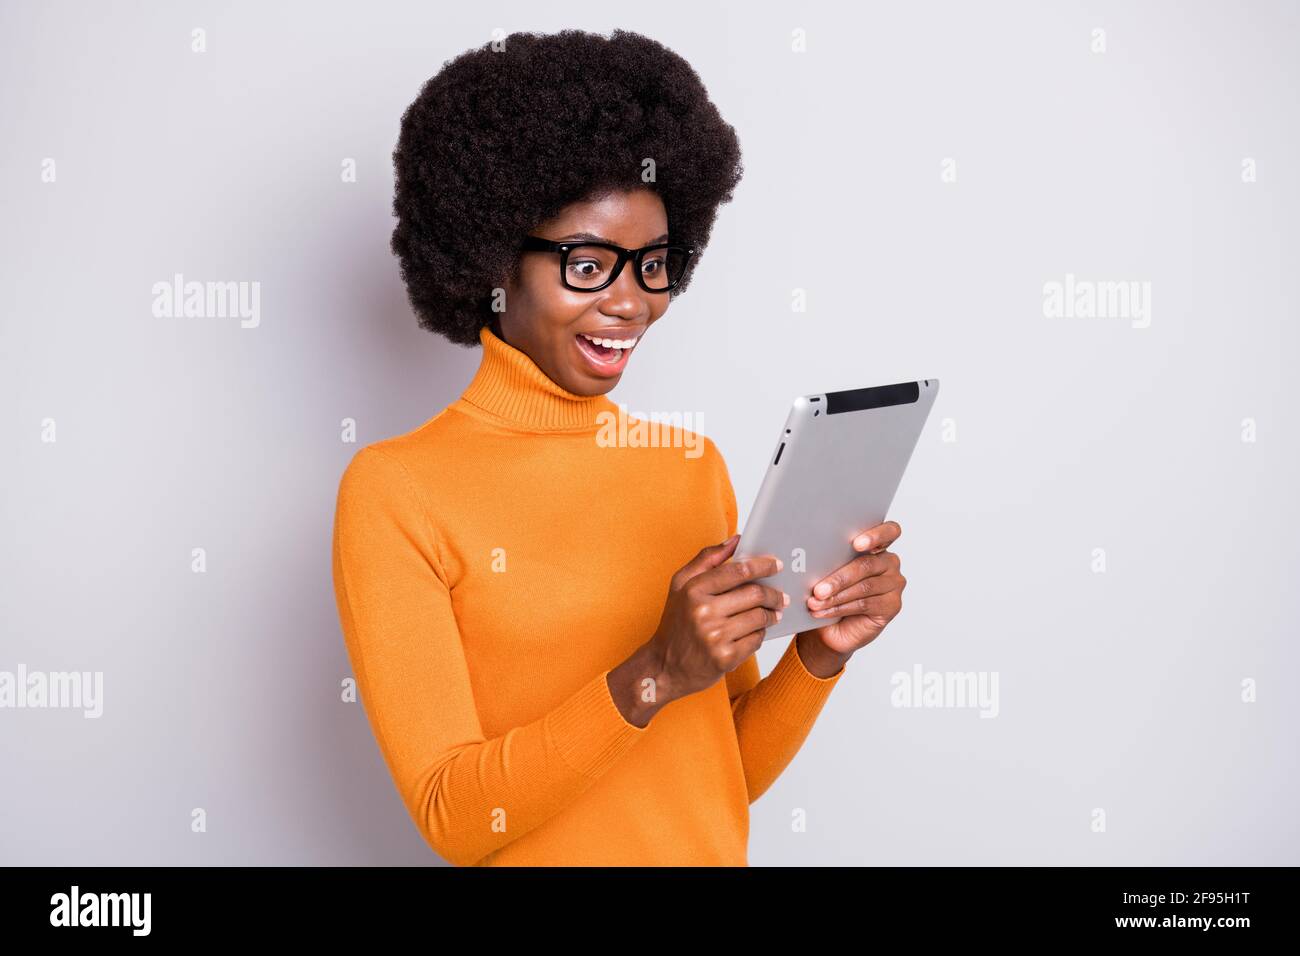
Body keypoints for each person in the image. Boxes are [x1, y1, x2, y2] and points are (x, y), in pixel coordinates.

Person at [331, 28, 907, 866]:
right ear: (495, 259)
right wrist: (654, 674)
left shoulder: (687, 468)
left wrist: (820, 654)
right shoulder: (398, 491)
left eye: (653, 265)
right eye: (591, 264)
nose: (634, 303)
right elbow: (453, 817)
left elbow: (720, 772)